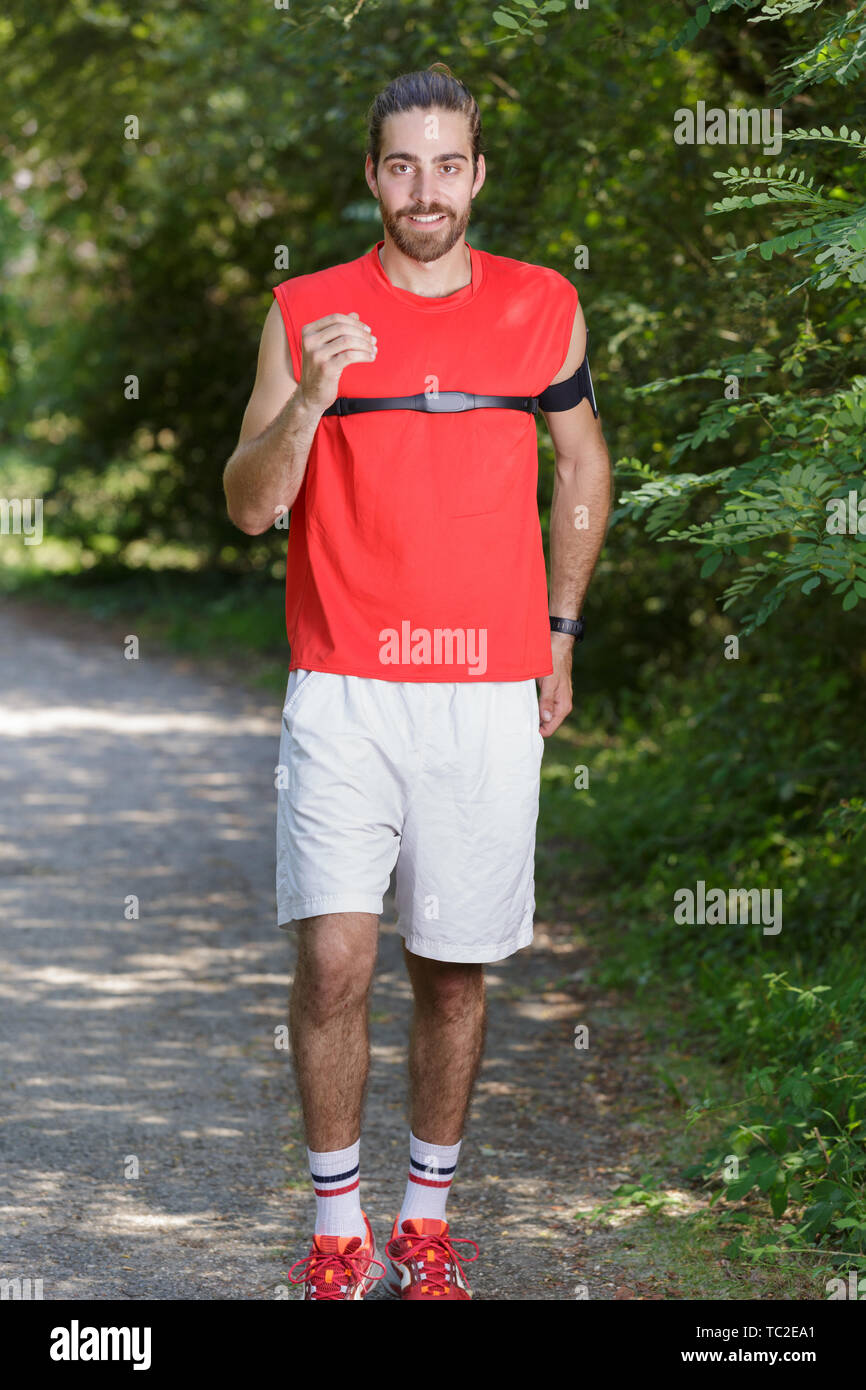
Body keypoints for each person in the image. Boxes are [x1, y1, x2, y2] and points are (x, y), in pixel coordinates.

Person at [223, 63, 611, 1301]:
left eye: (447, 164)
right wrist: (312, 404)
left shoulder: (543, 306)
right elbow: (246, 505)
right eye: (402, 165)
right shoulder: (305, 309)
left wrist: (558, 629)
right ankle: (338, 1231)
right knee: (335, 958)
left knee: (451, 970)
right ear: (372, 177)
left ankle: (424, 1223)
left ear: (477, 174)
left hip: (487, 683)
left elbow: (582, 467)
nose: (425, 189)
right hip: (341, 682)